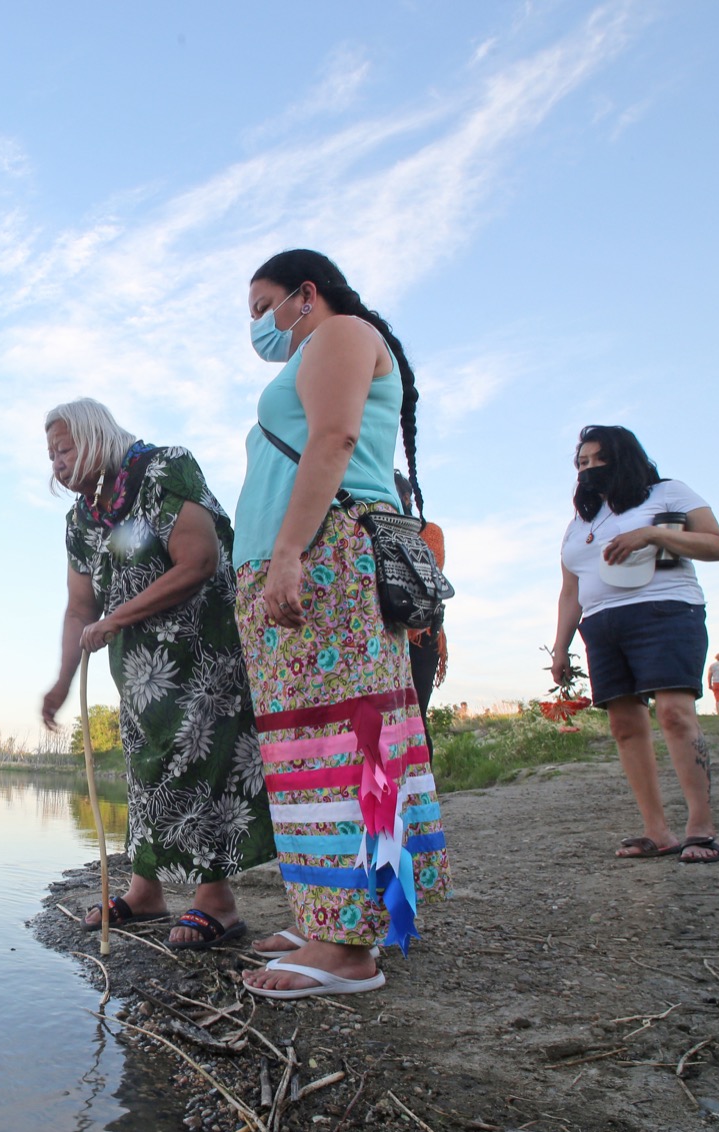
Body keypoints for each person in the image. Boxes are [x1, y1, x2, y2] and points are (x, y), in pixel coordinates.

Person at [230, 249, 450, 1000]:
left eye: (263, 305)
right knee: (307, 756)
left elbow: (333, 441)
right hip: (286, 566)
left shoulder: (342, 334)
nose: (257, 323)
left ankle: (350, 950)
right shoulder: (311, 351)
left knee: (351, 742)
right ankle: (352, 914)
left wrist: (289, 551)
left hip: (320, 558)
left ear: (306, 293)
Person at [41, 398, 276, 949]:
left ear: (96, 436)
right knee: (148, 769)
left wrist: (117, 617)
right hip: (141, 671)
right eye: (49, 456)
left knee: (203, 762)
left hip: (204, 650)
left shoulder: (163, 470)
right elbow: (81, 608)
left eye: (64, 448)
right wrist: (60, 679)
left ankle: (216, 903)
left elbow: (200, 560)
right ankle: (146, 892)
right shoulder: (81, 520)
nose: (55, 463)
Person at [550, 426, 719, 863]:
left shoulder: (667, 493)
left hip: (665, 611)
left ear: (624, 457)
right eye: (582, 463)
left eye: (598, 459)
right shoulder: (580, 523)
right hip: (601, 625)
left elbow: (718, 545)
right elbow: (570, 590)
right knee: (625, 726)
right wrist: (561, 647)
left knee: (673, 712)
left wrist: (652, 535)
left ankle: (700, 826)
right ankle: (657, 830)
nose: (589, 468)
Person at [396, 470, 447, 722]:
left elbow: (428, 573)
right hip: (388, 634)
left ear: (406, 498)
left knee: (416, 717)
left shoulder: (429, 532)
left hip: (421, 635)